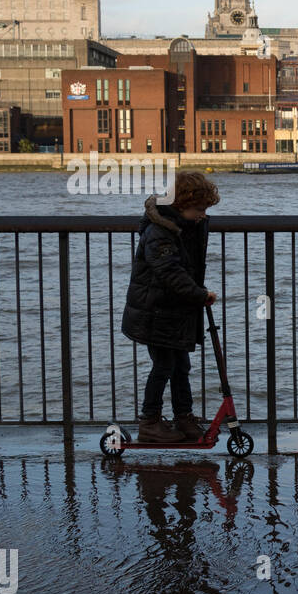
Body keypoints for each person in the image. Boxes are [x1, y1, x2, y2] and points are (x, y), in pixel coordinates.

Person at [121, 171, 219, 442]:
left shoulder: (181, 226)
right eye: (198, 209)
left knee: (180, 366)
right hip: (155, 312)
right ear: (181, 205)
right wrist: (199, 294)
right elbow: (170, 273)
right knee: (163, 366)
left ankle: (183, 416)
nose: (202, 215)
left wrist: (196, 295)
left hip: (170, 312)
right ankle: (150, 422)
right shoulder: (159, 231)